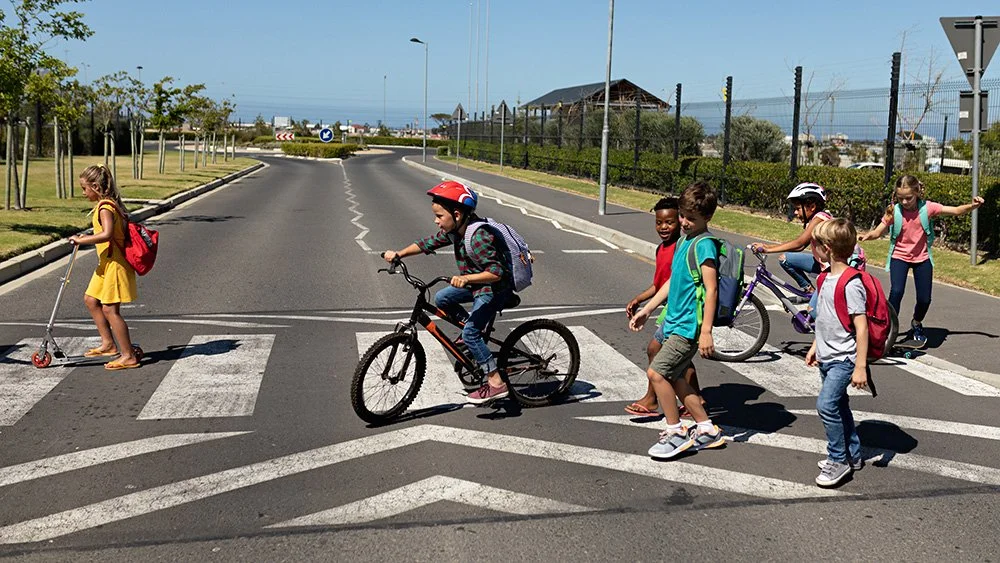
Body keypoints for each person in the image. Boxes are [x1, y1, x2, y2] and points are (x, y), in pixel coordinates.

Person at [383, 181, 514, 404]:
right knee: (442, 298)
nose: (436, 221)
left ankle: (495, 383)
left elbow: (496, 272)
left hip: (494, 289)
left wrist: (466, 278)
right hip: (477, 285)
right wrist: (399, 254)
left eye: (439, 216)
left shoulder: (479, 236)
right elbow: (428, 244)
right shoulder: (455, 231)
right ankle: (471, 329)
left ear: (457, 214)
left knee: (472, 334)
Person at [632, 181, 725, 459]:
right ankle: (707, 429)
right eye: (682, 215)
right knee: (673, 377)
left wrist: (706, 331)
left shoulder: (704, 245)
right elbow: (673, 281)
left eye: (690, 218)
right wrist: (648, 309)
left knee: (657, 373)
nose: (683, 222)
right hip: (672, 322)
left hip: (688, 327)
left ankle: (675, 432)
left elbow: (712, 290)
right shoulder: (684, 240)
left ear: (707, 218)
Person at [858, 175, 984, 343]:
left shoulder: (927, 208)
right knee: (896, 292)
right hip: (899, 257)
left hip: (922, 258)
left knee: (925, 299)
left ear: (917, 192)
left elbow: (955, 210)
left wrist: (973, 205)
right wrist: (867, 236)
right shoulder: (894, 211)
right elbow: (878, 231)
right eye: (900, 198)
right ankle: (887, 327)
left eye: (908, 198)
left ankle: (916, 322)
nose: (904, 202)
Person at [805, 218, 870, 487]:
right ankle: (852, 454)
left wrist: (860, 366)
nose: (813, 248)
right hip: (827, 355)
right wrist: (814, 346)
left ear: (827, 248)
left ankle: (838, 460)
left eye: (816, 244)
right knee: (840, 406)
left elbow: (861, 327)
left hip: (845, 358)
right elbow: (824, 319)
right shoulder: (824, 279)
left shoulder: (850, 282)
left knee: (826, 405)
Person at [624, 196, 702, 418]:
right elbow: (660, 284)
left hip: (680, 310)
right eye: (659, 222)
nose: (663, 227)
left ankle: (652, 399)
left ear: (680, 220)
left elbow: (676, 284)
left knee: (656, 351)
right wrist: (640, 299)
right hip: (670, 307)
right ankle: (696, 398)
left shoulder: (681, 248)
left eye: (669, 222)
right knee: (679, 359)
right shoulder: (662, 249)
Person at [68, 165, 140, 370]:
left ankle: (128, 355)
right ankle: (108, 344)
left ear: (96, 186)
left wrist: (82, 240)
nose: (83, 193)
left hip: (116, 265)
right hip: (106, 263)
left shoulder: (106, 207)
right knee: (91, 300)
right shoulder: (104, 204)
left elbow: (107, 234)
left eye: (85, 189)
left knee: (110, 310)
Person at [750, 182, 832, 303]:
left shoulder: (821, 218)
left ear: (812, 207)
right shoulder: (814, 219)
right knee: (785, 259)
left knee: (814, 313)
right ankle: (810, 292)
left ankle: (816, 303)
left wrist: (767, 248)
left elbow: (799, 243)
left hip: (833, 268)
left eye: (798, 208)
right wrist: (768, 247)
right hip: (822, 263)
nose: (795, 212)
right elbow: (801, 247)